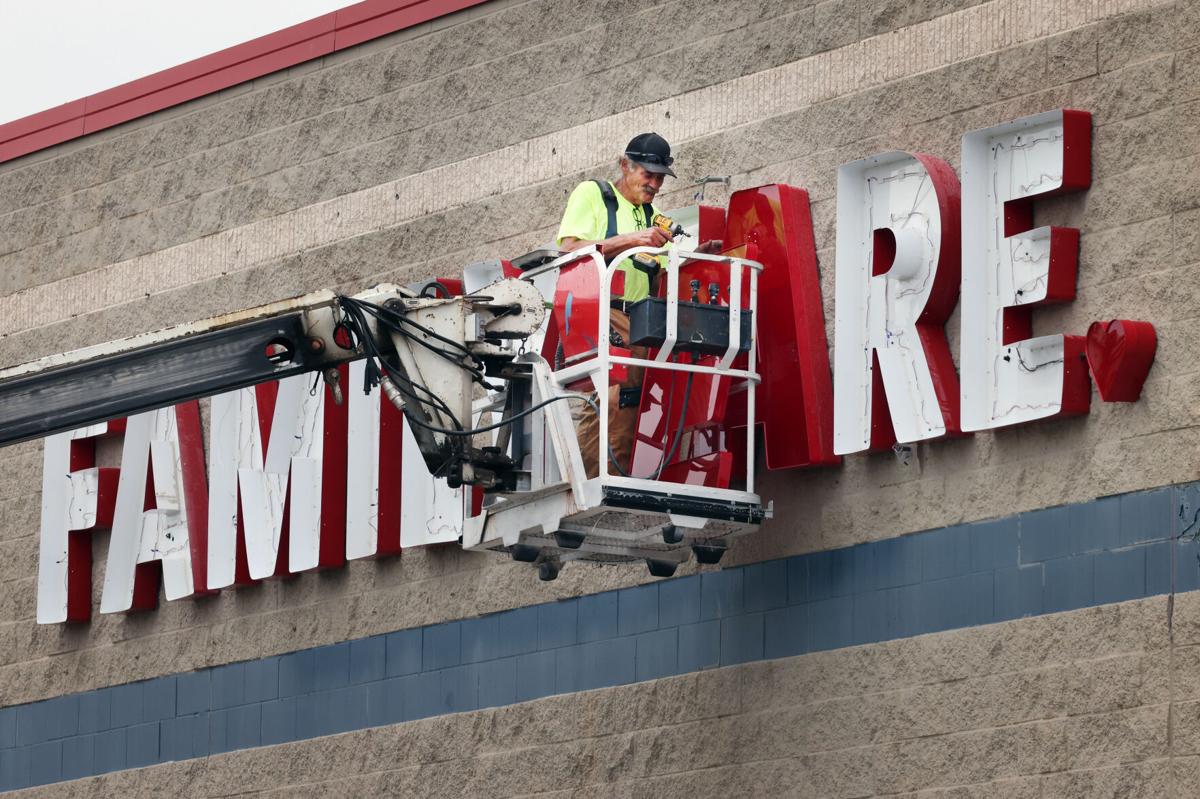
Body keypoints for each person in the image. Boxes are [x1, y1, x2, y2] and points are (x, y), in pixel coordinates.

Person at [556, 132, 719, 478]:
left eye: (659, 177)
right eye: (648, 174)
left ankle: (611, 478)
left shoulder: (652, 215)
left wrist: (695, 258)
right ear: (624, 165)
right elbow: (569, 249)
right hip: (601, 311)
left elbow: (659, 268)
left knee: (630, 402)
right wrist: (633, 238)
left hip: (641, 320)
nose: (655, 184)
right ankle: (590, 481)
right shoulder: (594, 195)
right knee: (613, 397)